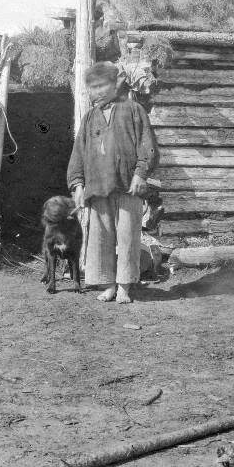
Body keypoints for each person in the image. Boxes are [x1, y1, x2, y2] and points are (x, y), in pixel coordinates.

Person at [67, 61, 159, 303]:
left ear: (116, 84)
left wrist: (141, 173)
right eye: (92, 87)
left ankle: (125, 287)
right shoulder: (89, 118)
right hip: (98, 187)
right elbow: (79, 152)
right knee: (100, 238)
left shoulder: (133, 110)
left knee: (128, 236)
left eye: (101, 86)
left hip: (128, 185)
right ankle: (107, 284)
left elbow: (147, 145)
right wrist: (77, 183)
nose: (96, 92)